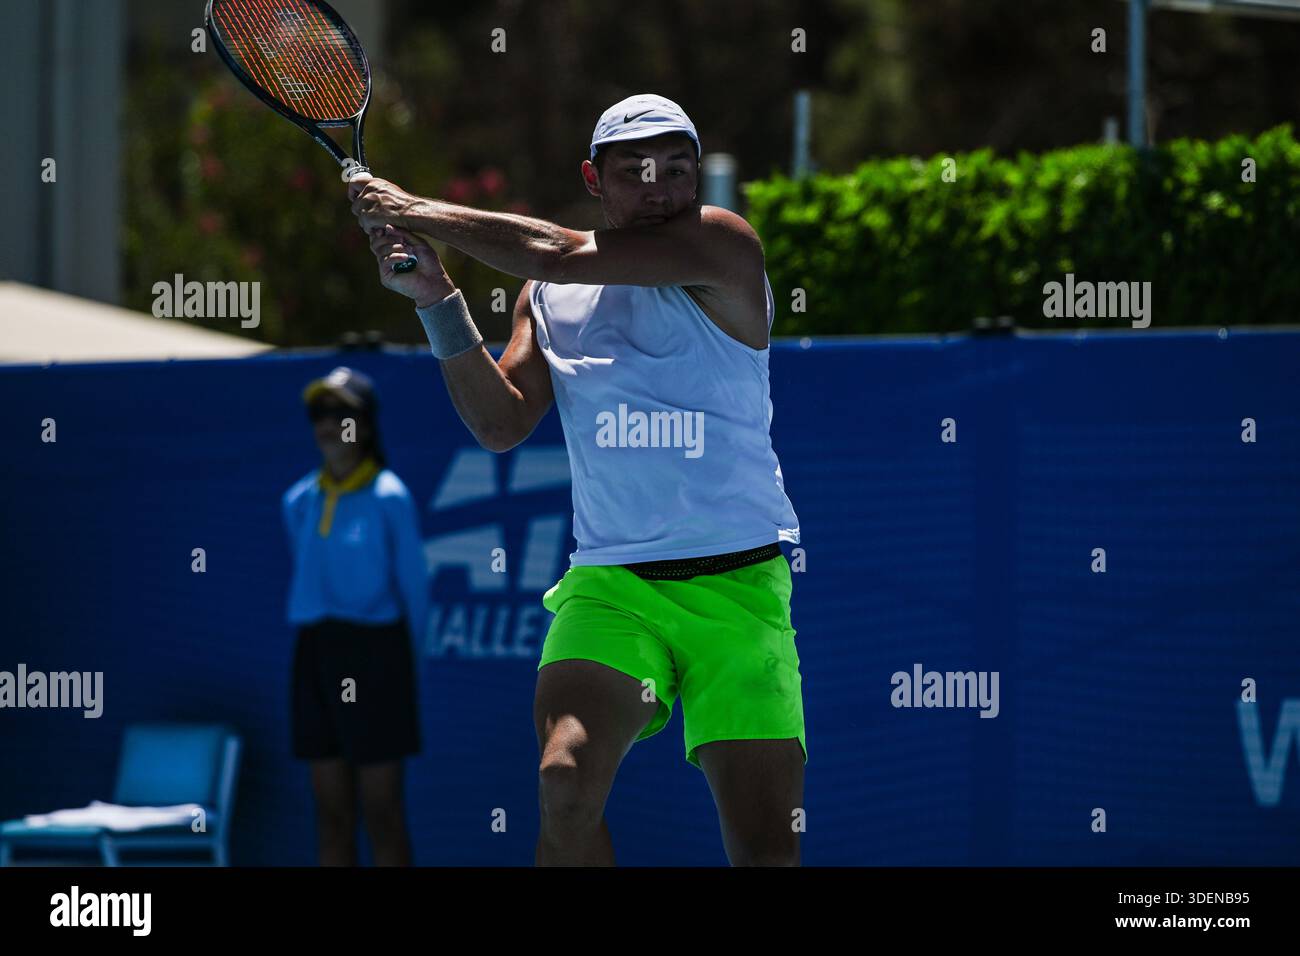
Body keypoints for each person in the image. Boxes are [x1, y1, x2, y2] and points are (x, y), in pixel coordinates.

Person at [350, 93, 804, 866]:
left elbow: (554, 250)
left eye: (677, 168)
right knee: (564, 781)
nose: (659, 187)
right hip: (611, 588)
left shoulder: (724, 246)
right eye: (635, 171)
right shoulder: (551, 298)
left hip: (741, 588)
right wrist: (437, 298)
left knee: (765, 851)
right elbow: (501, 423)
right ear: (595, 177)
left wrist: (412, 208)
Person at [281, 366, 428, 866]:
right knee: (330, 813)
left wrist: (406, 669)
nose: (327, 425)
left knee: (382, 812)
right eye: (319, 413)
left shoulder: (391, 497)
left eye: (341, 413)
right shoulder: (298, 501)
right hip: (315, 656)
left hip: (377, 658)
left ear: (364, 426)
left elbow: (415, 591)